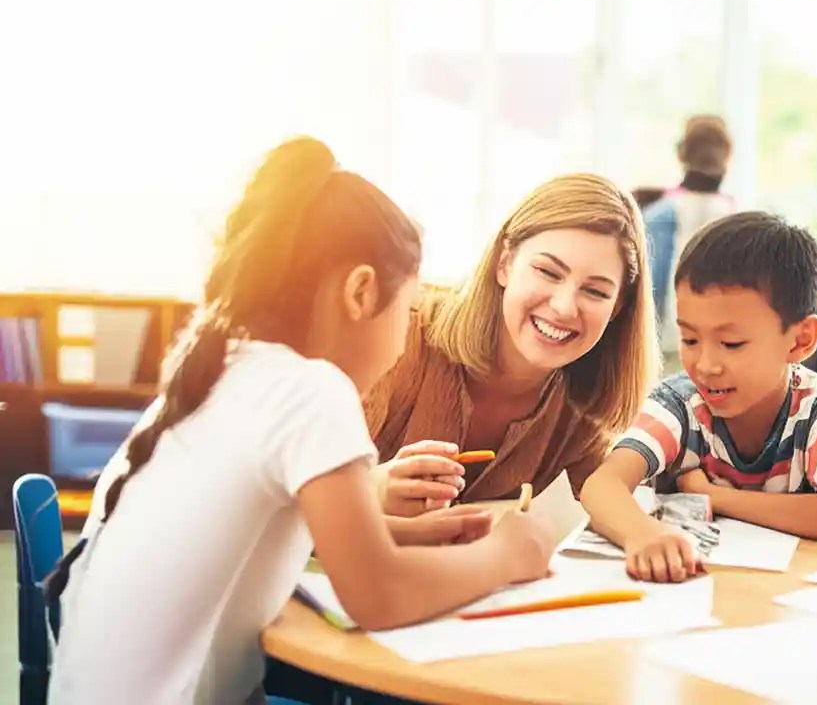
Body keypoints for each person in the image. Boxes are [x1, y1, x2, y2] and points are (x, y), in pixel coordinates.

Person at [48, 138, 557, 704]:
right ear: (361, 291)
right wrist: (511, 555)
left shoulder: (228, 367)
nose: (400, 343)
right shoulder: (312, 390)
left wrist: (400, 532)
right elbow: (378, 597)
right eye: (407, 311)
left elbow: (255, 524)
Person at [580, 212, 817, 583]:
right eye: (690, 339)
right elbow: (601, 485)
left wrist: (717, 498)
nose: (705, 365)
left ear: (800, 339)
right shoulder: (679, 403)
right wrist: (642, 534)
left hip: (781, 598)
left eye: (731, 344)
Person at [364, 173, 661, 527]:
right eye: (548, 272)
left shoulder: (585, 411)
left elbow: (604, 511)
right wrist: (367, 490)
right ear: (504, 263)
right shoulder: (399, 333)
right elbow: (287, 484)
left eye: (595, 292)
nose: (565, 307)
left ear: (617, 308)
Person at [645, 115, 735, 352]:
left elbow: (651, 287)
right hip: (726, 340)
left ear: (681, 154)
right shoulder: (737, 214)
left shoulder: (658, 213)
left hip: (668, 340)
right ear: (727, 156)